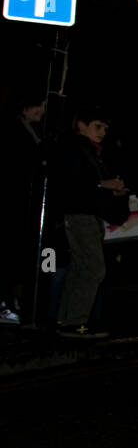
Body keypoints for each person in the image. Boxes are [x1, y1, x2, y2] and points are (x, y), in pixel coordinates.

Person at [47, 108, 129, 338]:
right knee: (92, 267)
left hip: (85, 214)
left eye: (104, 128)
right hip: (80, 214)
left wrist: (107, 188)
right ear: (81, 125)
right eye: (98, 126)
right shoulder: (75, 148)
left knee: (83, 267)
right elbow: (72, 182)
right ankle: (74, 322)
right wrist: (105, 185)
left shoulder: (86, 149)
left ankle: (67, 320)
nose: (102, 132)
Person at [2, 94, 46, 322]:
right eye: (38, 105)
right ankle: (7, 302)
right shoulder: (16, 131)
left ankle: (12, 300)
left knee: (16, 253)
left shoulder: (31, 131)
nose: (43, 109)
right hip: (16, 200)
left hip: (23, 202)